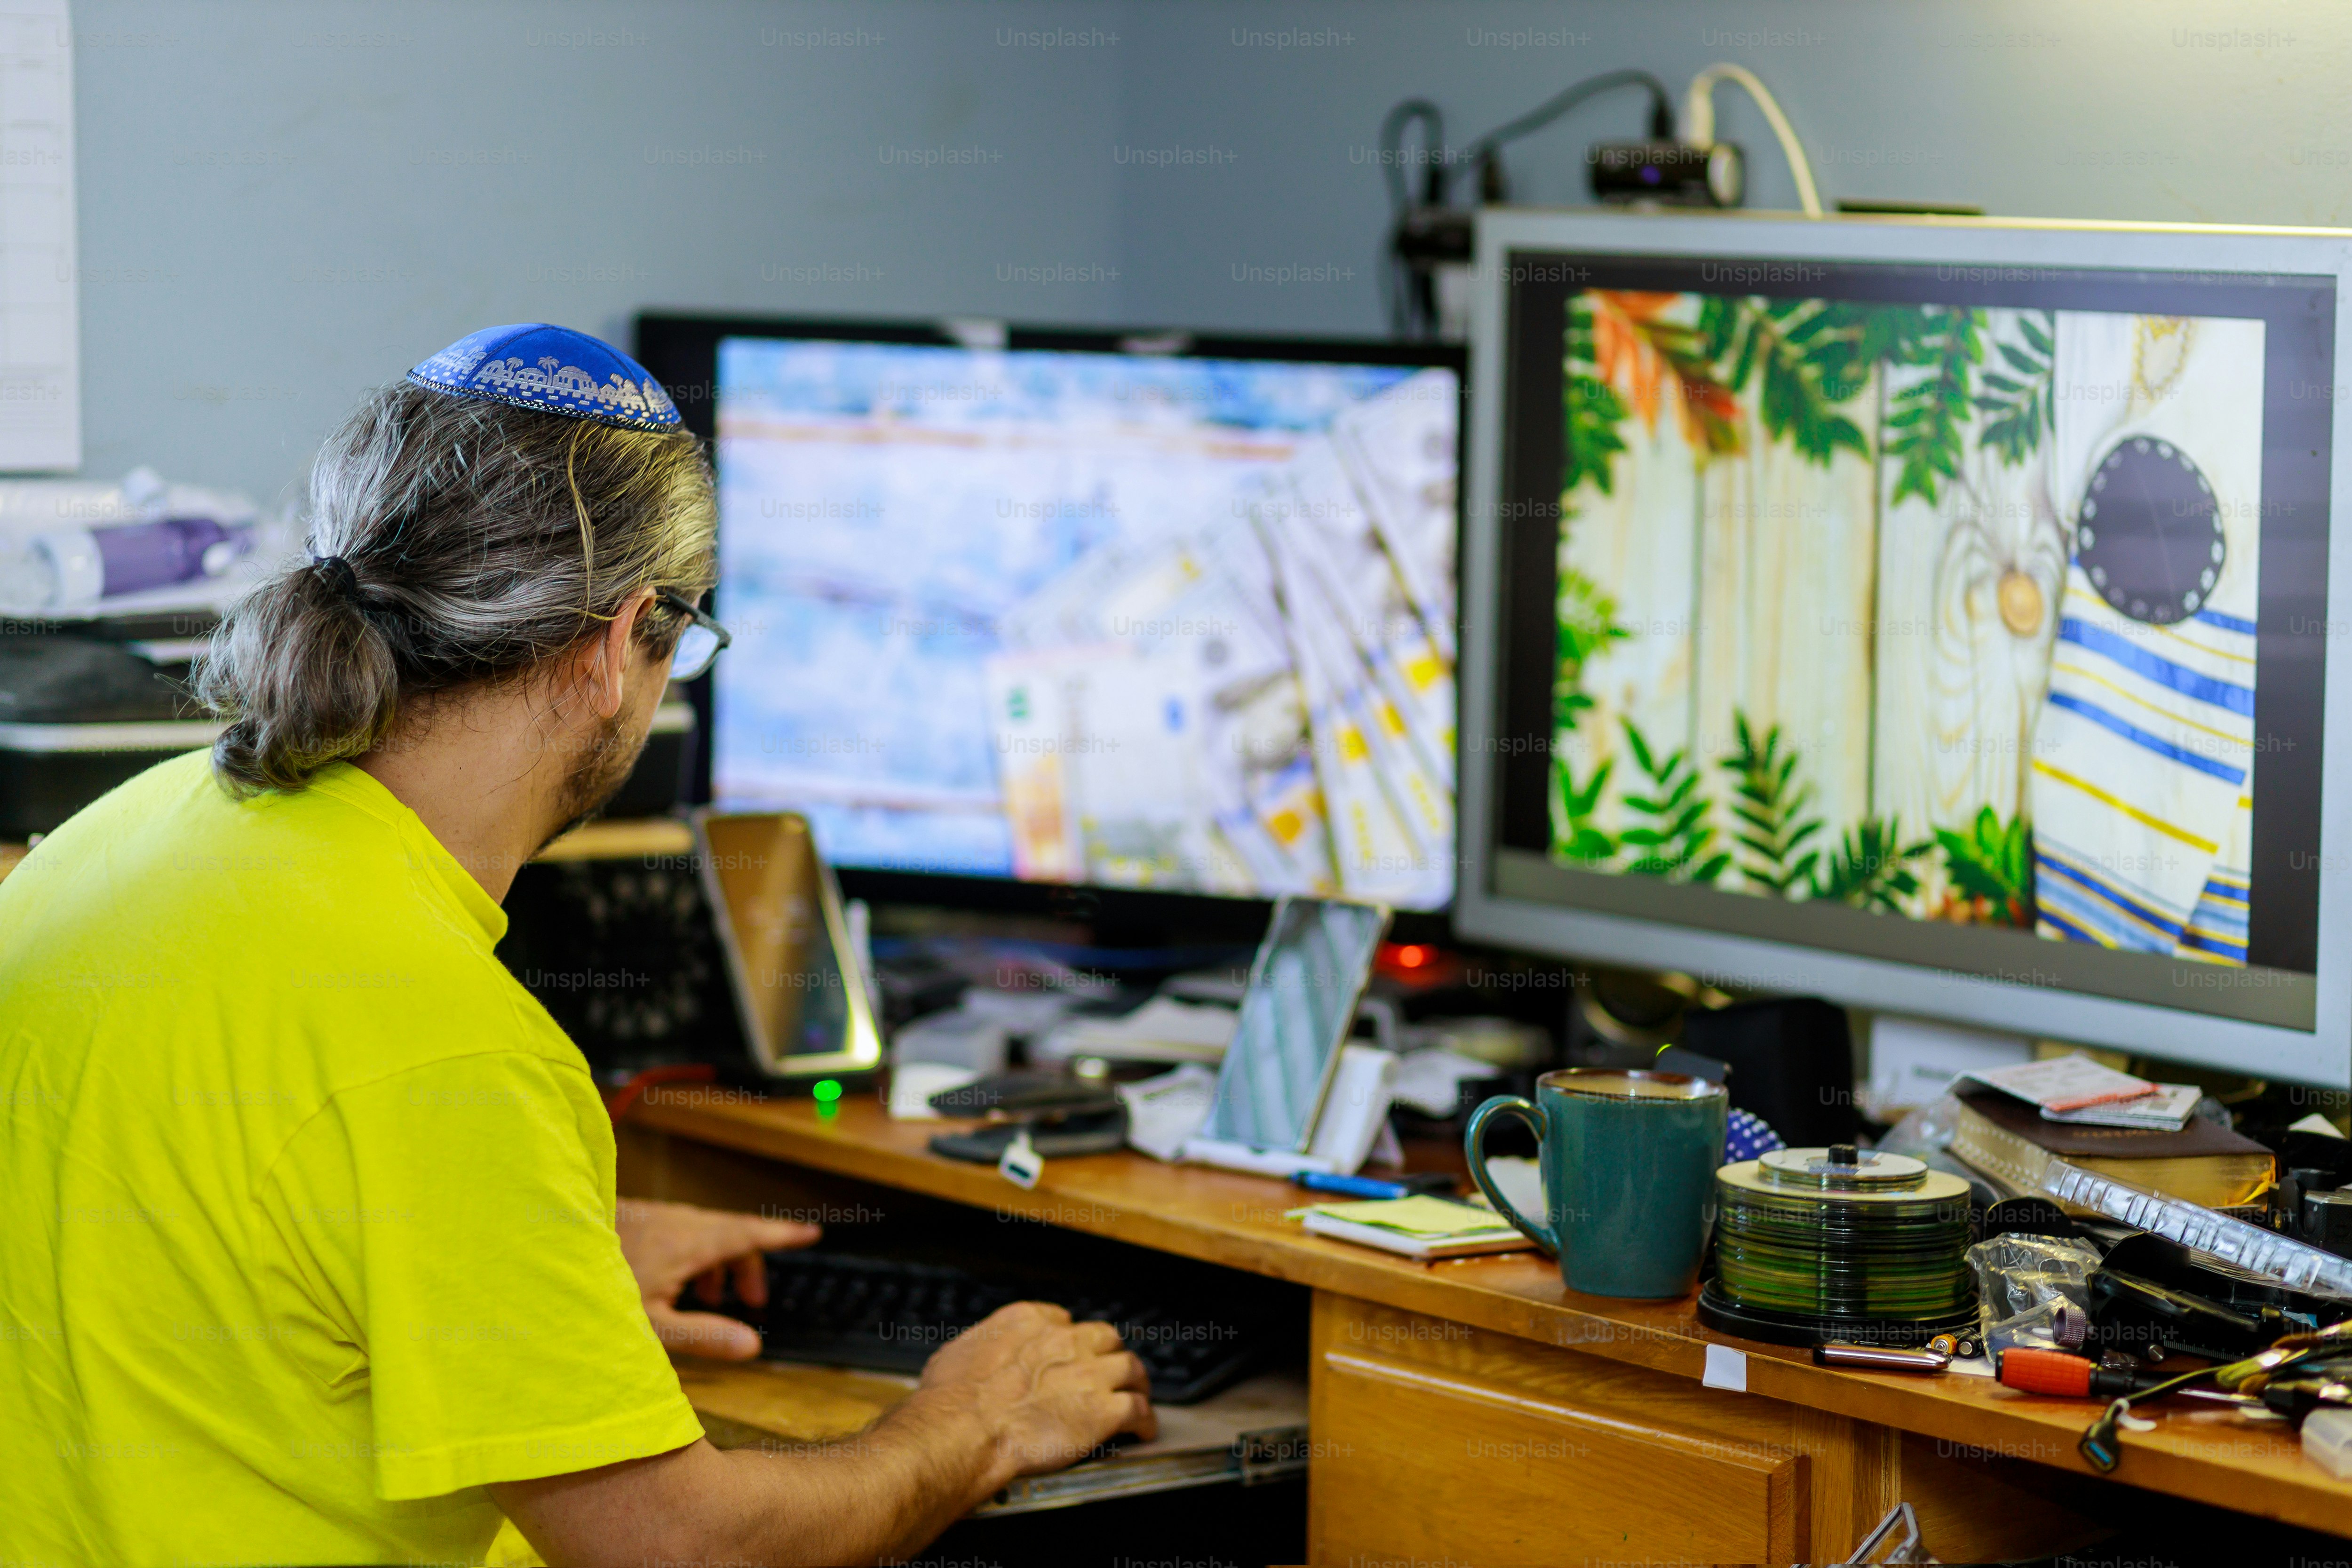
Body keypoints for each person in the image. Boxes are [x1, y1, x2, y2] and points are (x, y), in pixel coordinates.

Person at [0, 325, 1152, 1568]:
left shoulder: (122, 834)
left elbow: (204, 1225)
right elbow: (681, 1552)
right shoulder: (445, 1049)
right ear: (622, 641)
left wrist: (548, 1259)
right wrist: (971, 1424)